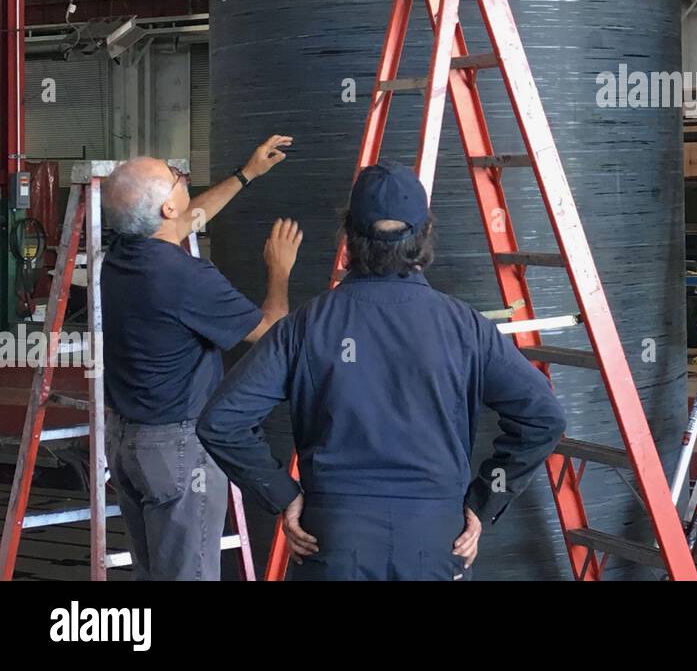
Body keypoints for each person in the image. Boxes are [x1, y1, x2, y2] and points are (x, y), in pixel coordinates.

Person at [197, 160, 567, 581]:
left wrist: (282, 494)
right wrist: (484, 500)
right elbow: (544, 418)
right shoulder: (466, 329)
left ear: (349, 237)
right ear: (425, 234)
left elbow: (221, 421)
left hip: (334, 540)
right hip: (434, 540)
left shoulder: (304, 327)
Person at [100, 136, 301, 580]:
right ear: (165, 210)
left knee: (153, 572)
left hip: (127, 443)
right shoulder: (185, 278)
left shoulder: (121, 253)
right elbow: (271, 332)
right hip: (178, 449)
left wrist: (246, 174)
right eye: (174, 177)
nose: (182, 178)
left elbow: (190, 219)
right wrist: (279, 271)